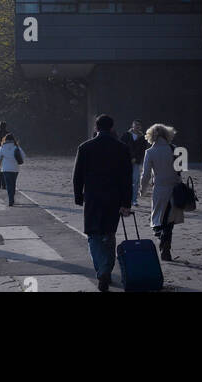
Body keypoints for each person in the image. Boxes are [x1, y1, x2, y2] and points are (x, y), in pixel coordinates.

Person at [72, 114, 133, 292]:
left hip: (92, 197)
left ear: (96, 128)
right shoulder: (122, 148)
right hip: (114, 197)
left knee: (93, 234)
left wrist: (78, 196)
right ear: (112, 127)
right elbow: (127, 179)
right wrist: (126, 202)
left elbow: (78, 176)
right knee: (109, 233)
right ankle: (106, 267)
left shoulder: (85, 147)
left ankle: (102, 269)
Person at [138, 123, 184, 262]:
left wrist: (142, 189)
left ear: (151, 136)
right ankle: (166, 249)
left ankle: (161, 237)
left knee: (157, 219)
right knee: (169, 220)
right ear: (168, 134)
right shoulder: (176, 149)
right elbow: (181, 170)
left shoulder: (150, 152)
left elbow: (145, 174)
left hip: (159, 188)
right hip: (175, 188)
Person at [120, 119, 147, 207]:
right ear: (132, 125)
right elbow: (122, 147)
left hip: (136, 162)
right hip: (126, 161)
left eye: (139, 125)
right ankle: (124, 199)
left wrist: (136, 159)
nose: (137, 126)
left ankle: (134, 200)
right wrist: (128, 158)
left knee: (135, 181)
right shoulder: (126, 135)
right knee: (125, 180)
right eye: (135, 124)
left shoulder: (143, 137)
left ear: (140, 127)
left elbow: (143, 151)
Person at [0, 133, 24, 206]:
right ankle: (12, 199)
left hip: (5, 169)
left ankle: (10, 200)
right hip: (15, 169)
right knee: (13, 183)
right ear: (13, 139)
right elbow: (23, 156)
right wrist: (20, 162)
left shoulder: (2, 147)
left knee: (8, 185)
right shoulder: (16, 147)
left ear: (5, 139)